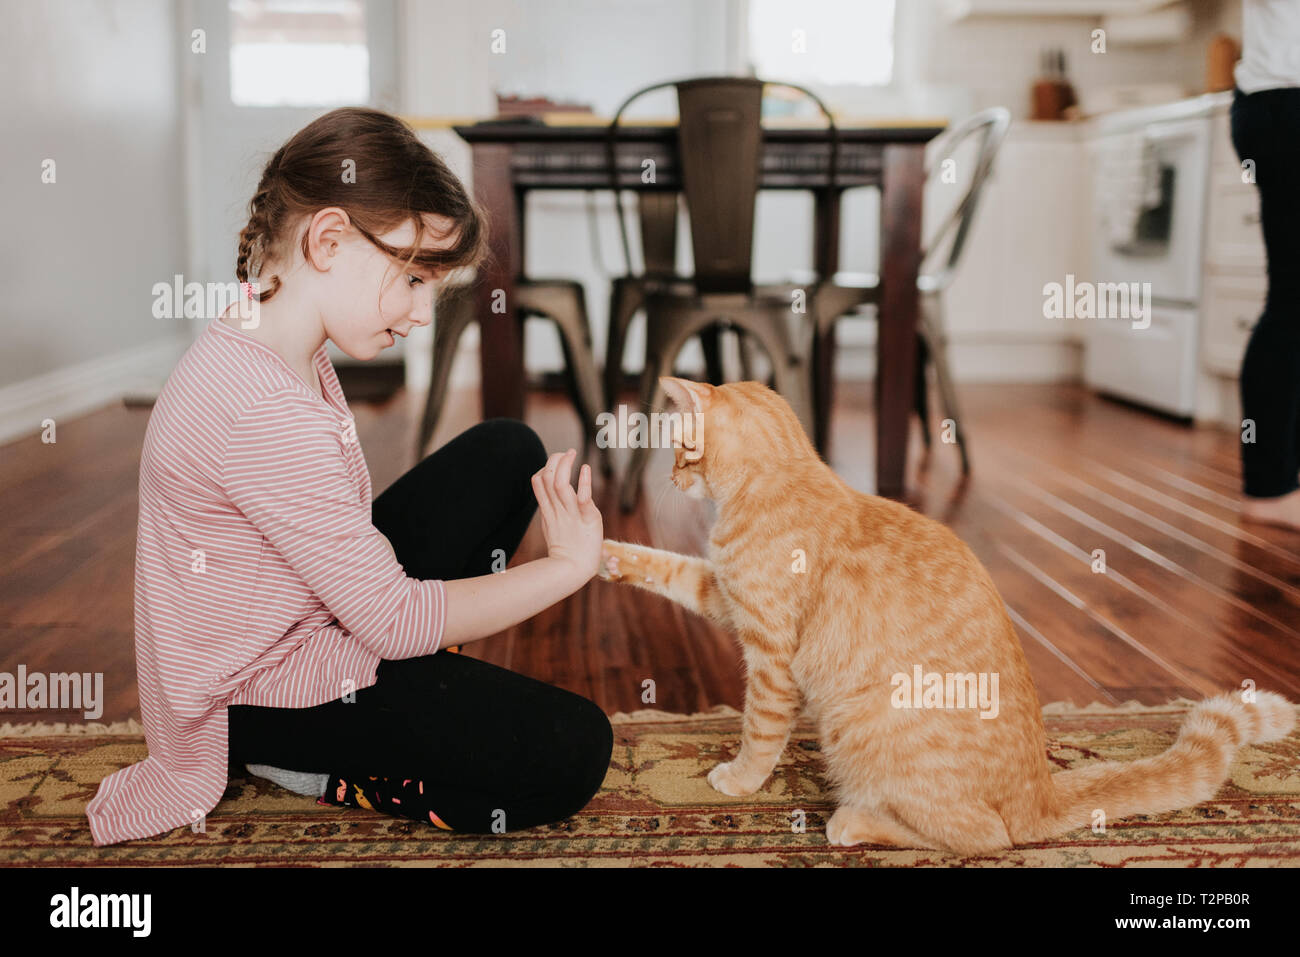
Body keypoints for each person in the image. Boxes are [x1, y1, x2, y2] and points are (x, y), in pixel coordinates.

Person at [85, 107, 612, 845]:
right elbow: (392, 621)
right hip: (253, 692)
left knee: (507, 450)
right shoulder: (258, 405)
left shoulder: (277, 334)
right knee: (574, 746)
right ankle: (303, 760)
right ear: (327, 239)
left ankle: (403, 706)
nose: (424, 312)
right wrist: (566, 568)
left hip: (305, 615)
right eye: (413, 278)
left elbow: (352, 560)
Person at [1231, 0, 1300, 530]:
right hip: (1286, 104)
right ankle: (1271, 487)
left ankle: (1276, 479)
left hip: (1273, 102)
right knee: (1293, 302)